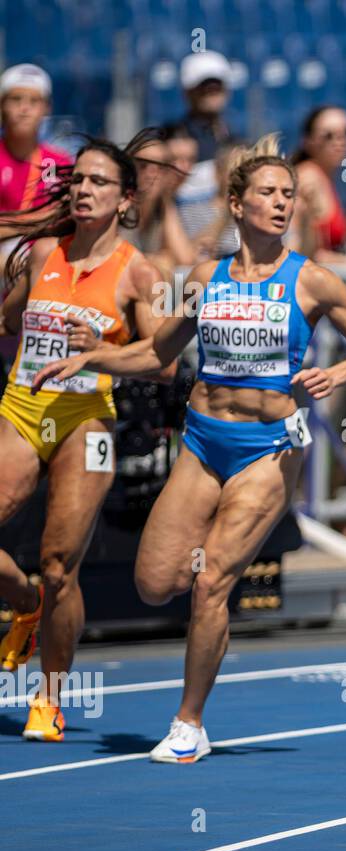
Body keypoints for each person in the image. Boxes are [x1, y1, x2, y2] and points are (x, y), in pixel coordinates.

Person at [34, 134, 346, 762]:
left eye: (289, 195)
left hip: (270, 448)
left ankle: (188, 723)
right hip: (203, 442)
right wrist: (94, 356)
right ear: (236, 203)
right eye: (268, 193)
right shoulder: (204, 277)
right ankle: (216, 554)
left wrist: (336, 375)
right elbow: (158, 354)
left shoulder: (311, 279)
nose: (282, 204)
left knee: (211, 585)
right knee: (154, 582)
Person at [0, 135, 175, 741]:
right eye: (78, 180)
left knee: (58, 566)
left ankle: (48, 697)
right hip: (24, 404)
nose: (82, 190)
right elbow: (8, 319)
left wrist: (98, 351)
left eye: (99, 182)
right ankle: (24, 604)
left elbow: (164, 361)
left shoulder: (140, 271)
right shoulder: (42, 251)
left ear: (125, 200)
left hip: (86, 419)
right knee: (36, 580)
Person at [168, 51, 240, 247]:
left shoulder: (236, 141)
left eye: (217, 85)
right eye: (204, 86)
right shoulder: (171, 140)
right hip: (185, 243)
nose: (211, 91)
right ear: (187, 91)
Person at [0, 64, 72, 240]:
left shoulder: (59, 163)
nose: (24, 109)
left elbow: (65, 222)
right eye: (16, 99)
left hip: (43, 260)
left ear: (47, 108)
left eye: (34, 101)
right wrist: (42, 219)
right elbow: (52, 218)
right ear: (2, 105)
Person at [289, 105, 346, 263]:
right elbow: (295, 249)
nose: (340, 141)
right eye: (329, 135)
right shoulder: (308, 178)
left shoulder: (324, 178)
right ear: (308, 141)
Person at [118, 129, 194, 274]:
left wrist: (165, 198)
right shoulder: (119, 205)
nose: (152, 173)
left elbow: (185, 258)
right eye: (143, 164)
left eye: (161, 166)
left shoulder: (162, 207)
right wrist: (157, 259)